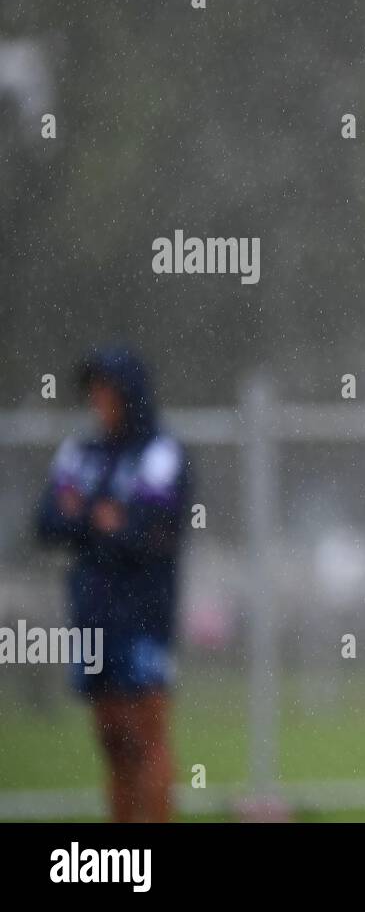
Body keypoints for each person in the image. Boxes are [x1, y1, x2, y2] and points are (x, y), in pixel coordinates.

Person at [34, 346, 190, 822]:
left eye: (107, 388)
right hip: (92, 612)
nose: (98, 399)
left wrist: (91, 517)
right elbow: (47, 523)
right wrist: (100, 519)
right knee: (112, 743)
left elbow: (147, 532)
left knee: (146, 738)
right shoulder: (80, 452)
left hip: (143, 616)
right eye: (93, 389)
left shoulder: (160, 452)